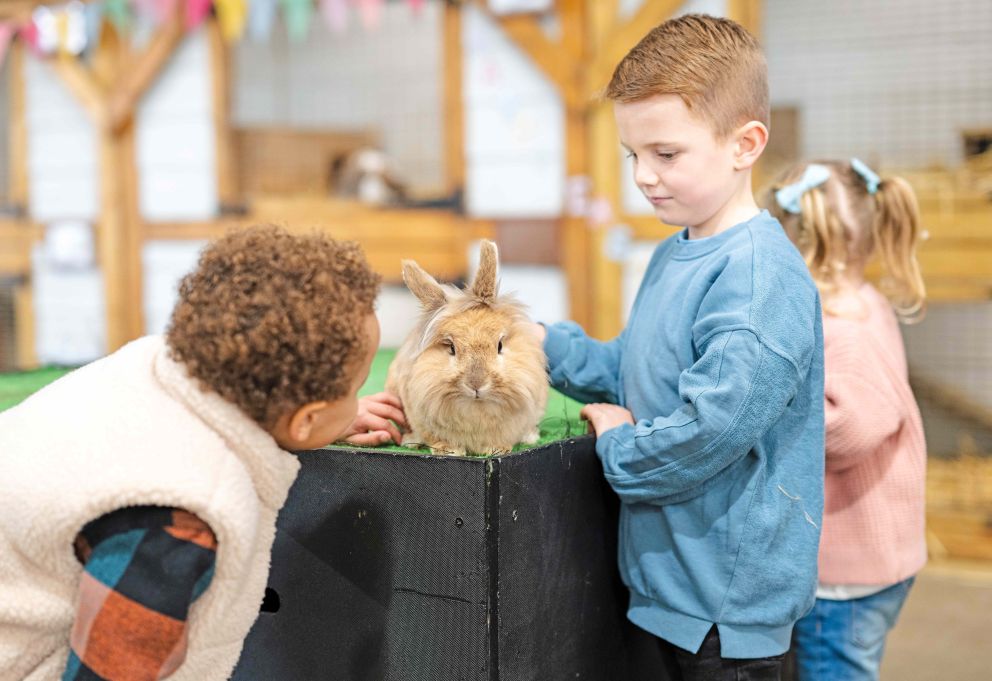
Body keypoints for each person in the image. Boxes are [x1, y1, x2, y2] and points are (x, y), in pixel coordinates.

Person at [531, 14, 824, 680]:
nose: (642, 176)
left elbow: (704, 434)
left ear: (744, 144)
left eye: (666, 154)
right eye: (632, 154)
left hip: (728, 619)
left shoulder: (756, 284)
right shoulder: (677, 251)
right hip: (667, 591)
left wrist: (616, 442)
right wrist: (544, 345)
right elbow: (636, 369)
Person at [0, 225, 405, 681]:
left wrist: (316, 423)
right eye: (353, 390)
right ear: (305, 415)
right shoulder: (181, 513)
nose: (357, 400)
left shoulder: (153, 363)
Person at [767, 159, 927, 681]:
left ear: (798, 246)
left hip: (845, 578)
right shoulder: (868, 304)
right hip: (881, 562)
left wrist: (767, 409)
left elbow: (849, 430)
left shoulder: (840, 329)